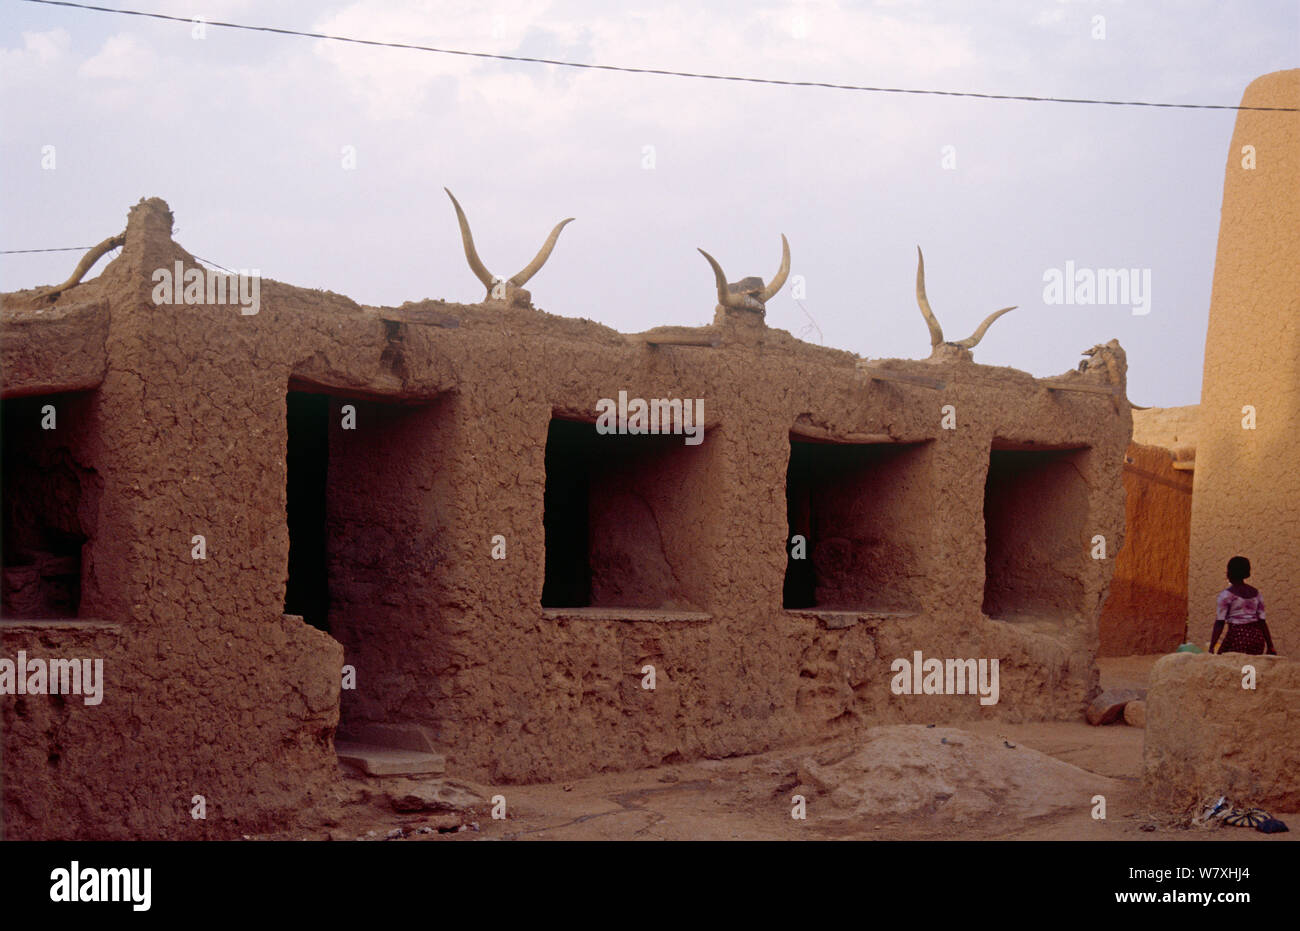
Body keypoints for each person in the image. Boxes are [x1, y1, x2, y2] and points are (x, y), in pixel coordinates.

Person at [1210, 556, 1277, 655]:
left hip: (1238, 636)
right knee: (1250, 666)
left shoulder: (1226, 595)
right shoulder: (1256, 593)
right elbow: (1262, 622)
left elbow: (1220, 622)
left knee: (1229, 664)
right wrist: (1270, 646)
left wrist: (1212, 646)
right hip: (1256, 637)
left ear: (1230, 573)